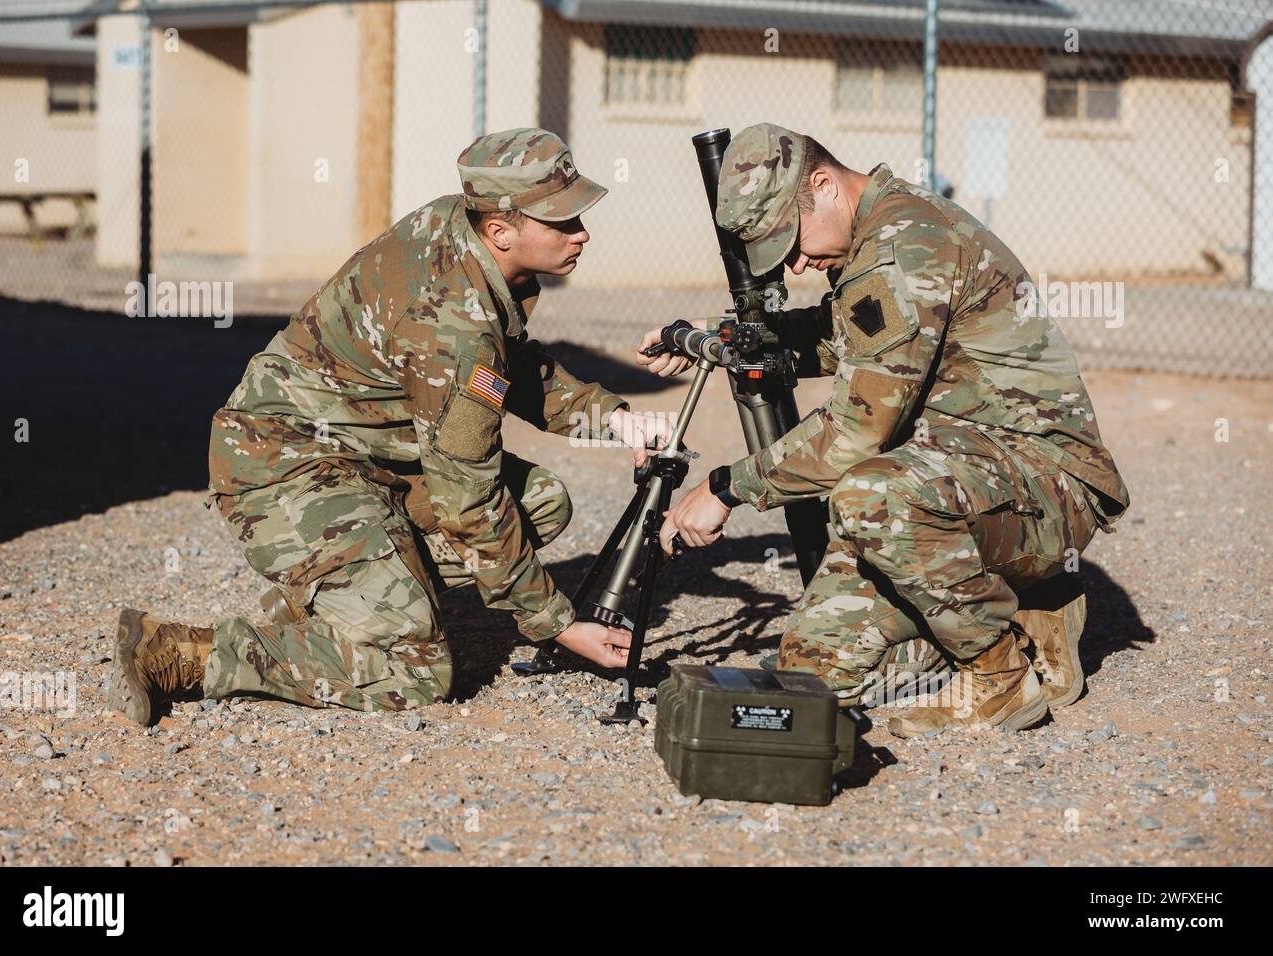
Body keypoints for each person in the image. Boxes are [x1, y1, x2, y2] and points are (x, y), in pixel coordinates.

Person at [108, 128, 666, 726]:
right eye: (561, 222)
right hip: (283, 464)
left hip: (361, 457)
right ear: (502, 230)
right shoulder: (453, 323)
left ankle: (343, 594)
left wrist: (613, 419)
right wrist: (557, 623)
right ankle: (178, 652)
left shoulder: (463, 226)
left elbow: (500, 372)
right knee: (418, 674)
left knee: (542, 503)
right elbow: (468, 497)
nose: (582, 233)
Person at [637, 123, 1128, 737]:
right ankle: (1029, 611)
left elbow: (857, 434)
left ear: (823, 184)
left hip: (1044, 483)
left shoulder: (903, 245)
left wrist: (724, 489)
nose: (796, 262)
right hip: (959, 478)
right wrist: (722, 336)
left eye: (791, 241)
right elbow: (847, 334)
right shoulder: (878, 233)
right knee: (813, 671)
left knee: (871, 495)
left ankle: (999, 675)